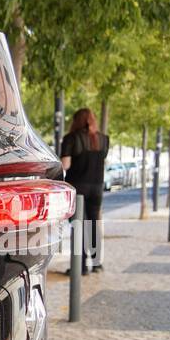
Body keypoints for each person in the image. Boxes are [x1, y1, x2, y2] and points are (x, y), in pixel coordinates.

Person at [60, 108, 109, 274]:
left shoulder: (71, 139)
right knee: (94, 224)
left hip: (78, 187)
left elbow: (65, 165)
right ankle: (96, 264)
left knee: (78, 225)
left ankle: (80, 267)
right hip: (97, 187)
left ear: (76, 121)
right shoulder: (104, 139)